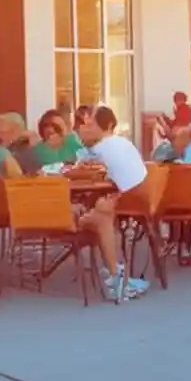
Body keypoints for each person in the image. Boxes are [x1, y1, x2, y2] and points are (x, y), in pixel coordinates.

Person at [75, 105, 150, 299]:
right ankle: (116, 276)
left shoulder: (100, 148)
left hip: (126, 199)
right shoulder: (122, 142)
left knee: (101, 214)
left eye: (90, 125)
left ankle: (116, 276)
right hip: (139, 198)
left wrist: (83, 141)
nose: (87, 128)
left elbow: (80, 164)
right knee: (102, 214)